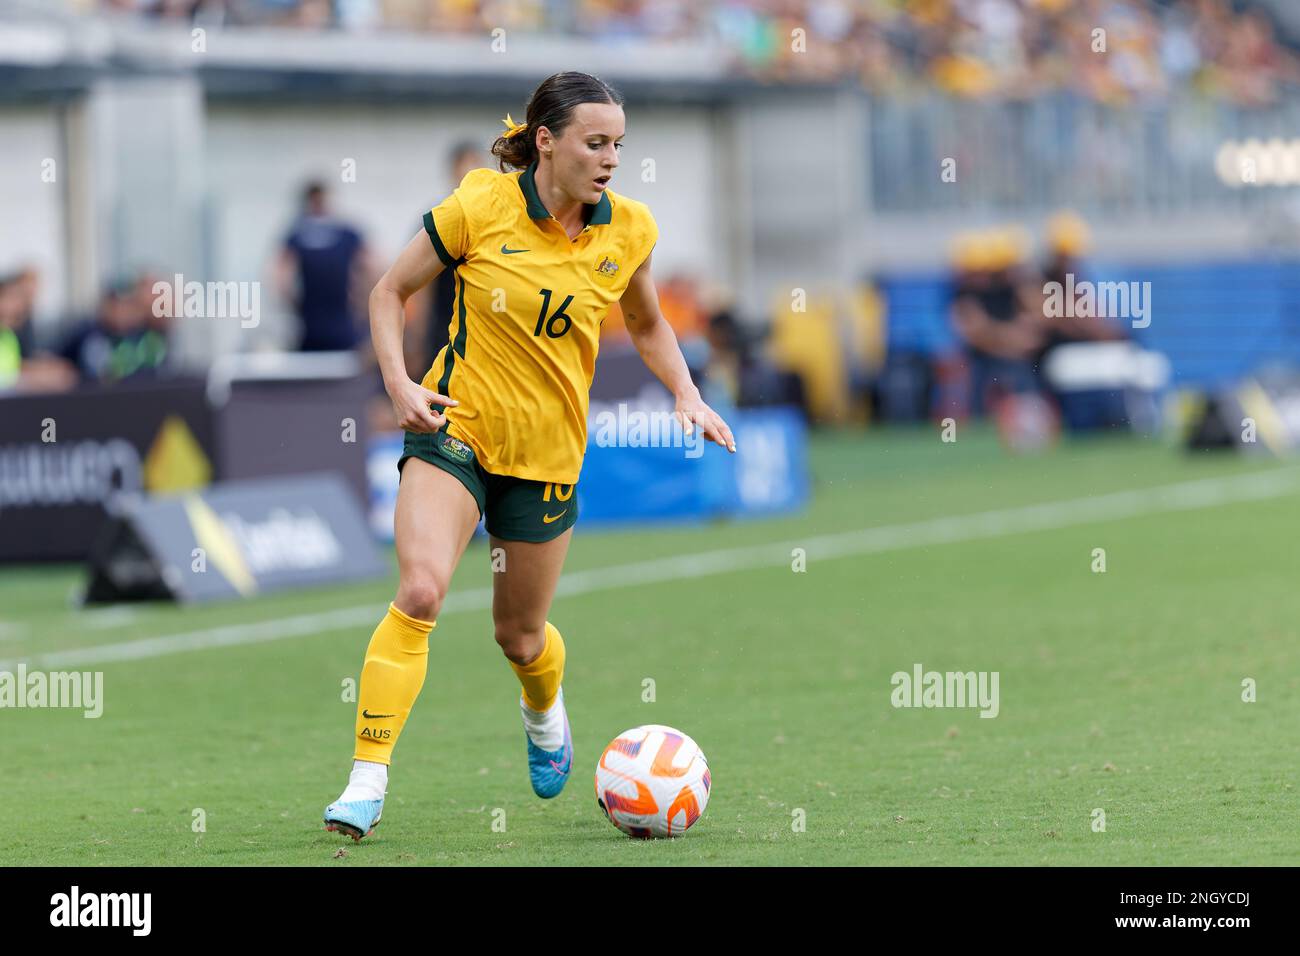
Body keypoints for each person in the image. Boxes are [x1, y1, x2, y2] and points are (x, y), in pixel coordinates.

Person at [323, 72, 736, 841]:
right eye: (595, 142)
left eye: (618, 144)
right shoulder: (481, 203)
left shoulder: (630, 228)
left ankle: (543, 709)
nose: (610, 158)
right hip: (455, 431)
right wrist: (397, 382)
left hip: (546, 457)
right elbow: (389, 292)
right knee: (420, 591)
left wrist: (685, 390)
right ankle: (365, 782)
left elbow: (646, 326)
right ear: (545, 141)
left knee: (519, 636)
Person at [275, 181, 373, 352]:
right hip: (327, 324)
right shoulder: (344, 232)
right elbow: (371, 268)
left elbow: (281, 280)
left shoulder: (298, 234)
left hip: (320, 324)